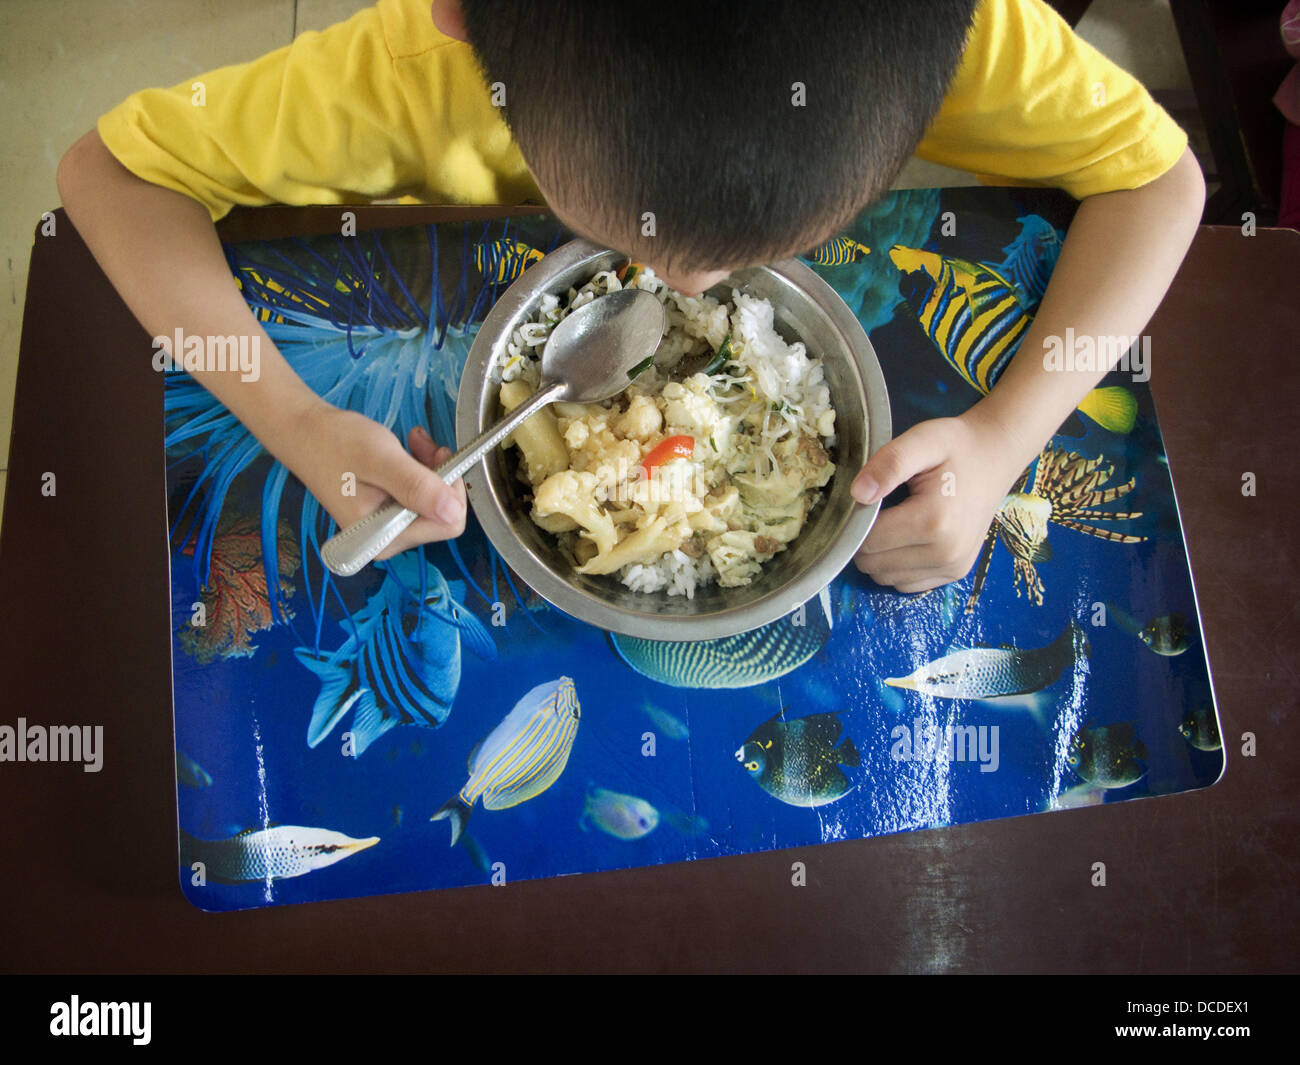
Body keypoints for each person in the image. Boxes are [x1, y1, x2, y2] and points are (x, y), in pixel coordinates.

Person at [56, 0, 1204, 594]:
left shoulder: (968, 35)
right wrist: (292, 418)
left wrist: (1008, 438)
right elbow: (106, 176)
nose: (682, 288)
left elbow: (1164, 183)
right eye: (629, 237)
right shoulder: (407, 69)